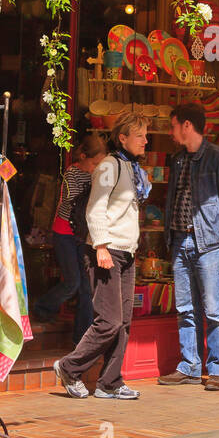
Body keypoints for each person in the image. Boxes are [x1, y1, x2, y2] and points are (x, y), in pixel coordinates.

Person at [53, 111, 149, 400]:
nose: (146, 141)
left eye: (146, 135)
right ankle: (69, 367)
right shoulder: (109, 166)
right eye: (140, 135)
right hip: (108, 251)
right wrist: (102, 246)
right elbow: (95, 207)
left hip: (126, 251)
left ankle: (110, 382)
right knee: (109, 320)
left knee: (124, 322)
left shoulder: (132, 168)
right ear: (122, 138)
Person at [157, 102, 219, 391]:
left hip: (209, 243)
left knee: (215, 309)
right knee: (185, 308)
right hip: (180, 240)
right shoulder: (178, 159)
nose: (170, 132)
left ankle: (217, 369)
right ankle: (190, 366)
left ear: (186, 125)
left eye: (173, 126)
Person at [30, 133, 107, 345]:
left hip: (83, 235)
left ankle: (81, 337)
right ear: (82, 156)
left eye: (100, 164)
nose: (96, 167)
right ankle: (42, 308)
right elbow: (71, 198)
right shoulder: (71, 174)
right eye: (94, 163)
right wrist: (97, 188)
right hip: (64, 234)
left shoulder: (97, 175)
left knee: (86, 288)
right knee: (73, 282)